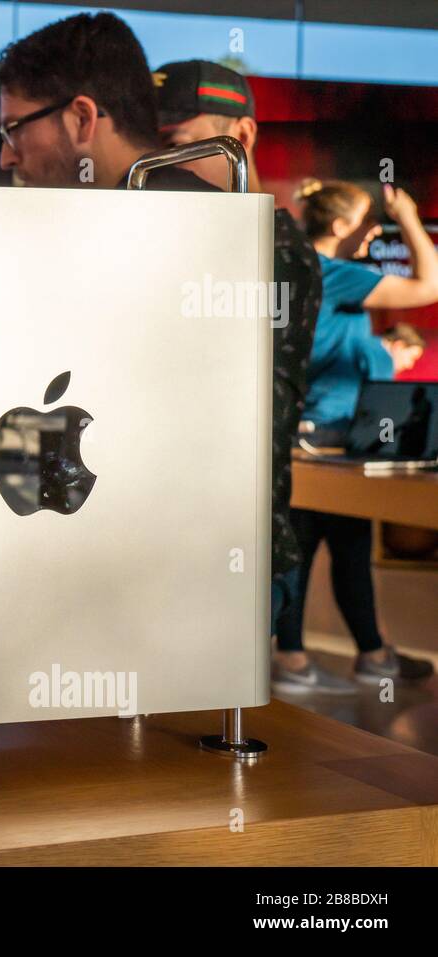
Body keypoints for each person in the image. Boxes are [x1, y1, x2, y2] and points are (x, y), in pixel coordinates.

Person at [153, 60, 335, 693]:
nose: (160, 169)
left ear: (244, 137)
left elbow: (246, 415)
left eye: (176, 146)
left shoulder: (272, 250)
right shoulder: (193, 238)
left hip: (238, 553)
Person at [277, 179, 438, 685]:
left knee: (326, 546)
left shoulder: (301, 269)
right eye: (368, 221)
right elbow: (429, 285)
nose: (374, 232)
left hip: (316, 431)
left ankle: (355, 654)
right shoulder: (335, 273)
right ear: (340, 226)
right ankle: (313, 659)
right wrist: (409, 217)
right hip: (327, 435)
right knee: (325, 547)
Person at [0, 12, 214, 191]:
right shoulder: (204, 210)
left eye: (14, 129)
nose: (5, 159)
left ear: (82, 119)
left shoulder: (153, 227)